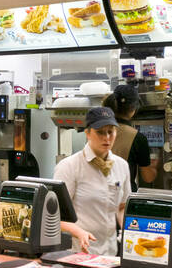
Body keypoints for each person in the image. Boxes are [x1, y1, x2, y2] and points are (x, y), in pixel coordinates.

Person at [54, 106, 130, 256]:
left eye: (111, 132)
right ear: (87, 133)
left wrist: (130, 231)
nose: (107, 137)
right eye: (100, 132)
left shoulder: (122, 165)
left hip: (111, 252)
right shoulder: (69, 166)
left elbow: (121, 207)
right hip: (78, 251)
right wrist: (78, 232)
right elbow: (53, 215)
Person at [104, 83, 157, 189]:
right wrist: (155, 166)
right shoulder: (137, 137)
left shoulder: (97, 130)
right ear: (133, 109)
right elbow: (148, 178)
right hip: (122, 198)